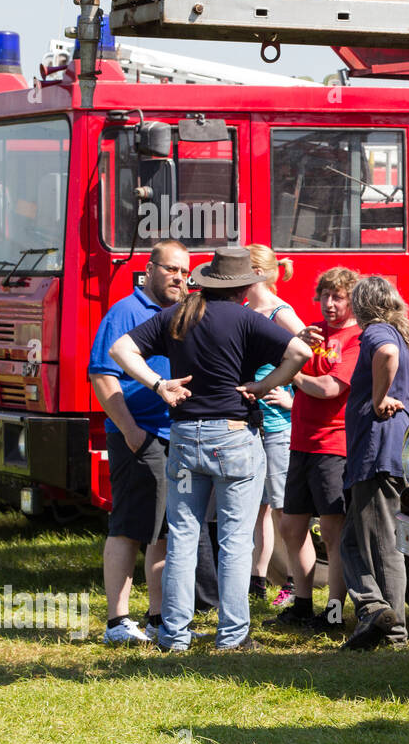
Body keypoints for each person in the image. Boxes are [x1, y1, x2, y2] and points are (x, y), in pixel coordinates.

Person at [109, 248, 312, 651]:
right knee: (236, 540)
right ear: (243, 287)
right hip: (235, 437)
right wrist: (264, 387)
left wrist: (158, 384)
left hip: (184, 436)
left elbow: (120, 350)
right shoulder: (248, 319)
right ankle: (233, 637)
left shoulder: (179, 315)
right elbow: (301, 353)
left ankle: (173, 635)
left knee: (183, 537)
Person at [89, 240, 191, 644]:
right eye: (171, 270)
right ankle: (117, 622)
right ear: (148, 270)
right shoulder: (126, 311)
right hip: (138, 436)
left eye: (184, 272)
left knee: (164, 531)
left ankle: (158, 619)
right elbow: (102, 375)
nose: (179, 278)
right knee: (129, 528)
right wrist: (130, 430)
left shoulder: (179, 314)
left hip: (174, 435)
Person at [269, 267, 361, 633]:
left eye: (337, 297)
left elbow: (328, 388)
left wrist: (293, 374)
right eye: (324, 296)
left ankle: (335, 611)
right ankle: (303, 604)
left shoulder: (357, 339)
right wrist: (295, 349)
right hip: (301, 442)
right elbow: (279, 359)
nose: (329, 304)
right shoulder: (310, 333)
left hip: (333, 446)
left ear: (352, 300)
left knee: (333, 531)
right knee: (292, 526)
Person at [339, 276, 409, 650]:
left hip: (377, 448)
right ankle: (374, 611)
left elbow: (386, 355)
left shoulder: (377, 332)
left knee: (382, 542)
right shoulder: (399, 331)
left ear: (360, 305)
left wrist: (378, 398)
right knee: (353, 541)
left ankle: (391, 626)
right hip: (391, 448)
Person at [245, 244, 308, 606]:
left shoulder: (281, 313)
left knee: (285, 510)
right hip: (251, 422)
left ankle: (292, 585)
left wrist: (293, 398)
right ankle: (257, 579)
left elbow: (311, 356)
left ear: (256, 271)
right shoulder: (244, 310)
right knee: (258, 508)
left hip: (278, 424)